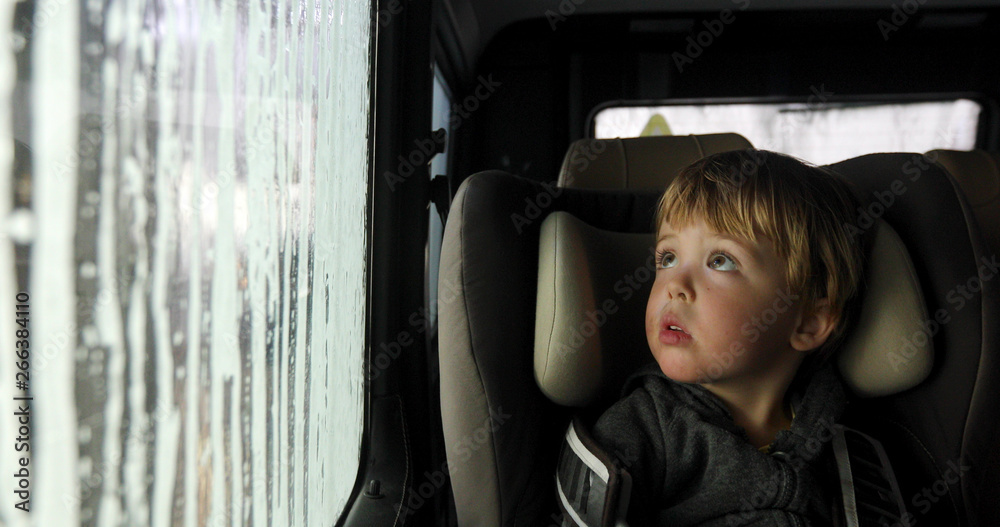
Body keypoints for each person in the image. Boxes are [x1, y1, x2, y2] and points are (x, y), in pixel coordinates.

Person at [590, 149, 869, 526]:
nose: (675, 286)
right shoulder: (639, 431)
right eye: (667, 257)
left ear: (808, 324)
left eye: (720, 260)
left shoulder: (845, 436)